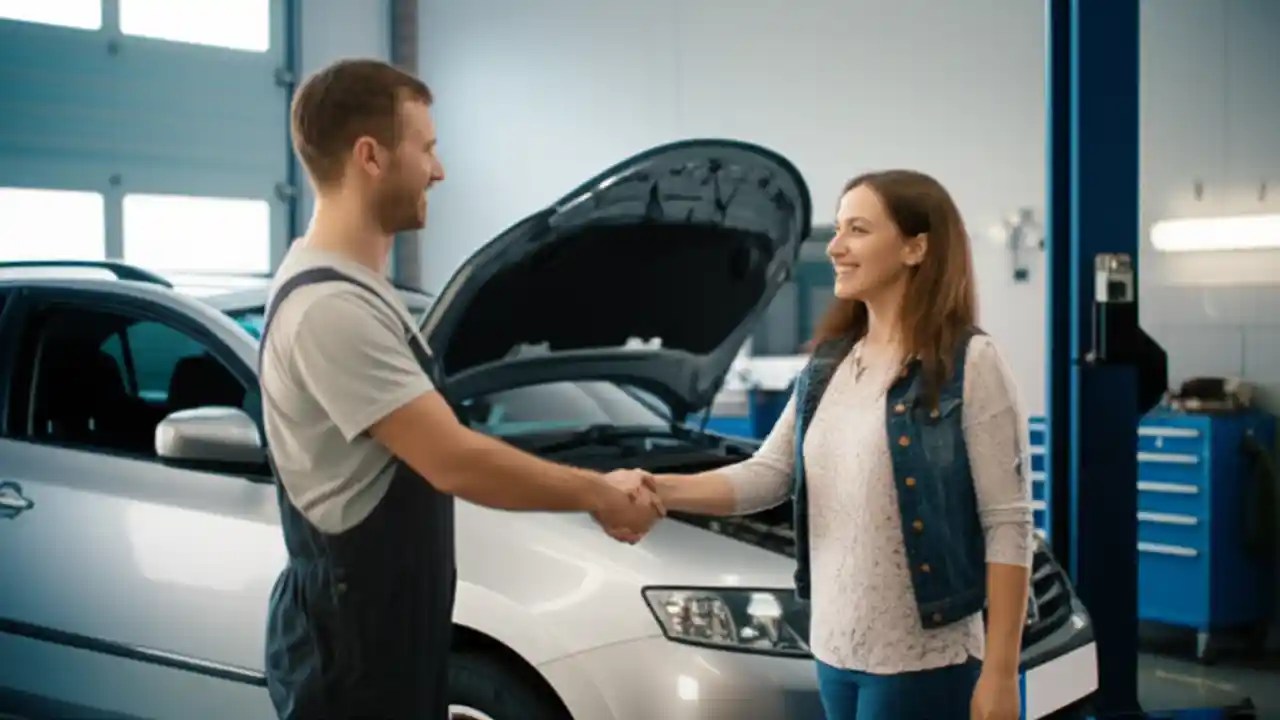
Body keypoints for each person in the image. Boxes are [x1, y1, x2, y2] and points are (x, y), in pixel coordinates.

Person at [258, 59, 663, 720]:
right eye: (427, 148)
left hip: (381, 634)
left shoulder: (358, 292)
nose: (438, 171)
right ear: (370, 156)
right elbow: (452, 458)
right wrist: (596, 492)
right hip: (351, 653)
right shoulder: (330, 309)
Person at [625, 170, 1033, 719]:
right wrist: (657, 489)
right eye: (838, 229)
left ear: (916, 247)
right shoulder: (829, 364)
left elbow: (1008, 523)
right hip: (834, 649)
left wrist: (1002, 672)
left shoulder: (970, 364)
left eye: (858, 230)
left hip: (921, 659)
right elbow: (768, 473)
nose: (836, 247)